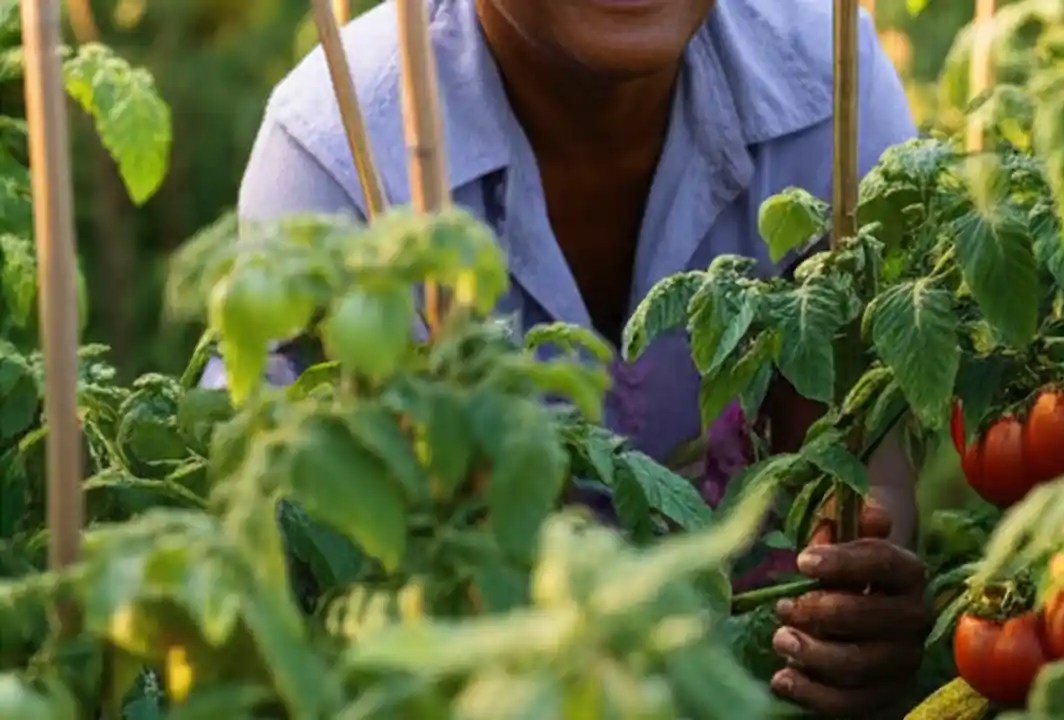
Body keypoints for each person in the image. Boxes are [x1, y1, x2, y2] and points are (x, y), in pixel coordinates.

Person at [214, 0, 930, 715]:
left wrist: (858, 607)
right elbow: (323, 583)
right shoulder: (339, 161)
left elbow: (863, 463)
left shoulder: (827, 76)